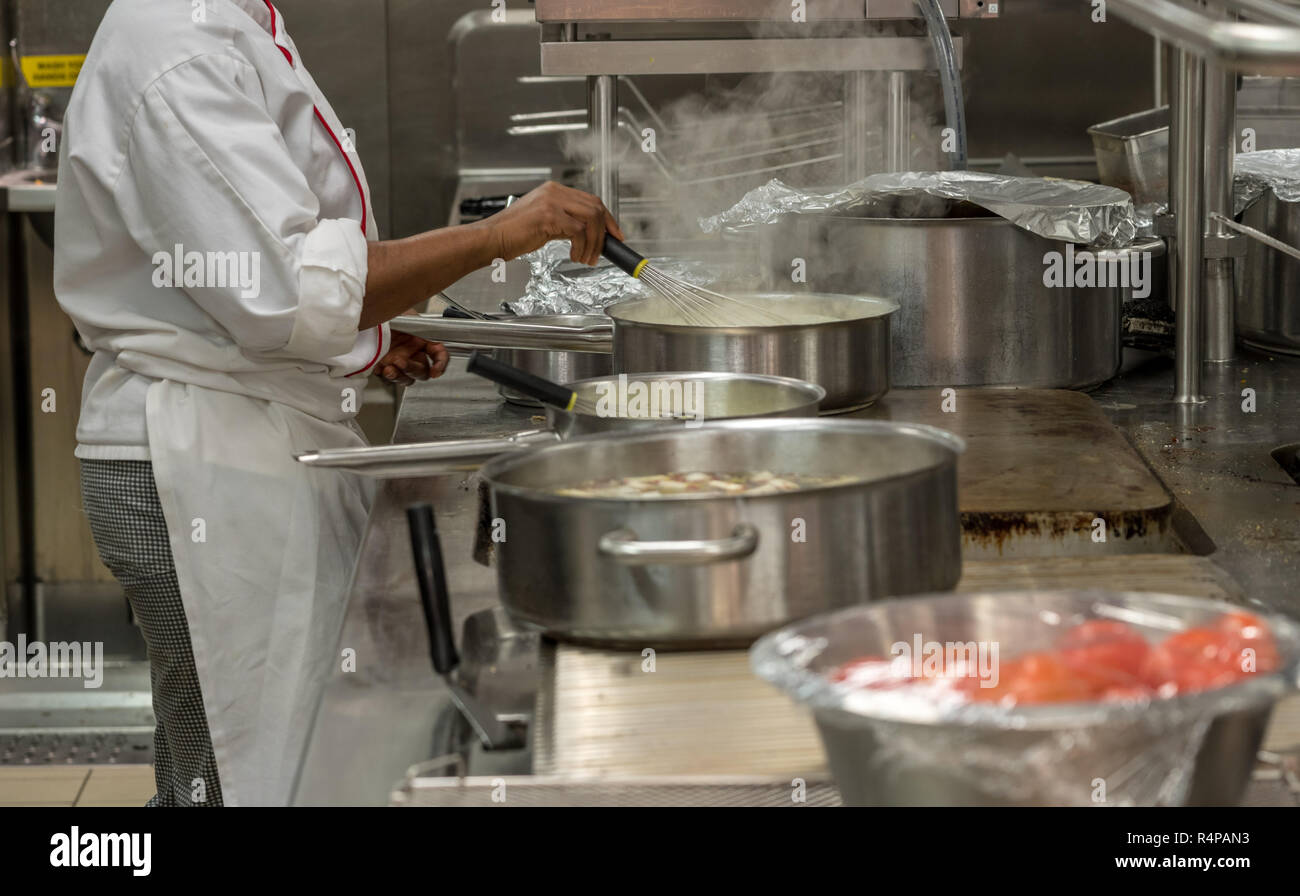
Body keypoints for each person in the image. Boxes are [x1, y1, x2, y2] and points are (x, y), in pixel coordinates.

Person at [55, 0, 621, 806]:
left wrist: (371, 339)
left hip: (236, 433)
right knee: (240, 773)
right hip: (196, 461)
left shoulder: (227, 21)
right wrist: (501, 234)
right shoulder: (175, 43)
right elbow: (287, 290)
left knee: (220, 759)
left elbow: (252, 270)